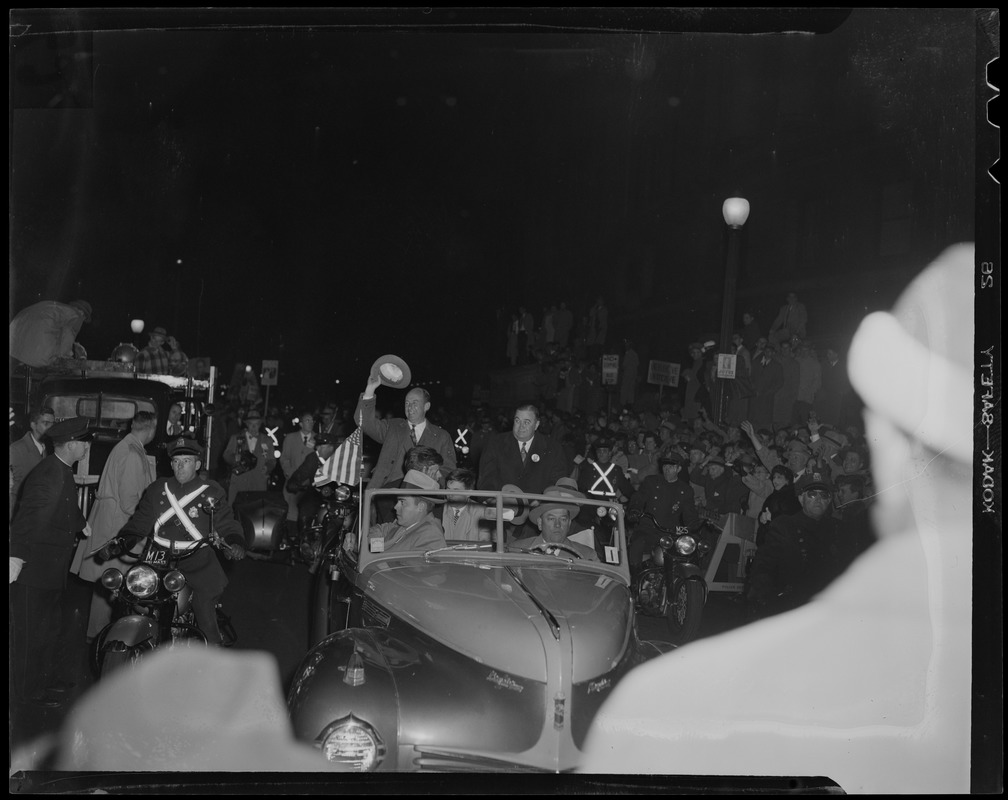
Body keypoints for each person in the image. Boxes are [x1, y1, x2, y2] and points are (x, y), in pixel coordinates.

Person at [580, 244, 975, 793]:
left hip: (693, 545)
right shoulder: (651, 482)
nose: (674, 464)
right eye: (670, 460)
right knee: (642, 548)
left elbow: (708, 508)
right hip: (652, 528)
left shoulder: (663, 708)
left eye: (677, 460)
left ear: (886, 451)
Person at [101, 436, 246, 645]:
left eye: (186, 461)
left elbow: (226, 523)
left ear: (197, 464)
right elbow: (139, 523)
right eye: (177, 461)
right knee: (131, 598)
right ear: (171, 464)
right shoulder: (157, 489)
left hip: (197, 560)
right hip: (157, 557)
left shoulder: (211, 492)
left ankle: (211, 659)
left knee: (204, 610)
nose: (180, 466)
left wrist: (234, 542)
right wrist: (120, 543)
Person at [9, 417, 94, 707]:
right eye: (83, 442)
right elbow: (26, 521)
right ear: (70, 444)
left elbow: (66, 505)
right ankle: (30, 691)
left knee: (49, 629)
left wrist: (81, 523)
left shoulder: (62, 470)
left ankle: (45, 679)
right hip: (34, 570)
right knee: (32, 635)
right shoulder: (48, 475)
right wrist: (16, 557)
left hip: (51, 569)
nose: (86, 447)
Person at [68, 411, 158, 639]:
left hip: (111, 524)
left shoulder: (127, 447)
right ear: (151, 429)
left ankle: (98, 635)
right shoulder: (132, 454)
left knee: (107, 583)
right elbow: (130, 502)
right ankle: (104, 637)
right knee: (115, 583)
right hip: (117, 526)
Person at [356, 376, 455, 522]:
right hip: (388, 495)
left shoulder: (441, 436)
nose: (410, 407)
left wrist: (437, 474)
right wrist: (370, 389)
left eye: (415, 403)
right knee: (388, 539)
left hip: (425, 498)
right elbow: (364, 422)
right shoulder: (393, 426)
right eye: (407, 403)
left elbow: (449, 470)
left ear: (427, 406)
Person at [745, 470, 842, 619]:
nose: (818, 499)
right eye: (812, 494)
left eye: (824, 495)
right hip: (789, 606)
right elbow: (764, 567)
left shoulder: (836, 528)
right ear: (801, 498)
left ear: (829, 501)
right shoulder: (784, 526)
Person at [627, 452, 700, 577]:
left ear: (679, 469)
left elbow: (689, 514)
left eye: (671, 466)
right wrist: (635, 510)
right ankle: (634, 582)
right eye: (665, 466)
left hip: (670, 533)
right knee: (636, 546)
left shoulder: (685, 490)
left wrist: (695, 526)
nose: (667, 469)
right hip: (648, 528)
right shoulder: (651, 481)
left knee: (689, 551)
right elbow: (639, 497)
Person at [477, 403, 570, 495]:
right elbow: (486, 479)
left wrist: (541, 502)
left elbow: (557, 481)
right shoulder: (495, 444)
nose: (521, 426)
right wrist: (494, 501)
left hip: (539, 506)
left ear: (536, 424)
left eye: (526, 422)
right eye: (517, 421)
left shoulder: (553, 448)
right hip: (503, 505)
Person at [359, 469, 446, 565]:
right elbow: (378, 530)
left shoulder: (431, 534)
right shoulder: (403, 525)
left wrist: (378, 558)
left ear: (421, 507)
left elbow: (417, 571)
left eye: (402, 502)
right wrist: (375, 548)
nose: (395, 507)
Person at [509, 482, 598, 561]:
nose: (557, 525)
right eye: (551, 519)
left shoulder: (587, 556)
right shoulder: (516, 551)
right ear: (540, 523)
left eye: (563, 519)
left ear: (569, 524)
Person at [574, 437, 633, 544]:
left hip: (609, 504)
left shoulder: (616, 470)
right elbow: (581, 488)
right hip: (591, 502)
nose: (601, 454)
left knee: (617, 528)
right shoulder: (588, 469)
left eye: (604, 451)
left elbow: (628, 490)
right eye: (599, 451)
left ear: (610, 453)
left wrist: (633, 502)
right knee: (583, 521)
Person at [9, 299, 91, 367]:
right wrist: (67, 358)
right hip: (37, 352)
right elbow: (68, 336)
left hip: (14, 342)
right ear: (82, 314)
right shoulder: (77, 316)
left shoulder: (55, 307)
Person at [222, 408, 277, 505]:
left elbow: (272, 460)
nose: (254, 426)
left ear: (260, 425)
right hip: (239, 480)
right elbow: (226, 455)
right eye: (251, 423)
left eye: (256, 424)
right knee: (235, 510)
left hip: (258, 481)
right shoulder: (236, 438)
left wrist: (267, 467)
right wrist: (234, 459)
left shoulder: (267, 440)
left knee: (256, 512)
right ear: (246, 424)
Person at [9, 405, 55, 519]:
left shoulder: (48, 450)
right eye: (46, 423)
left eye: (53, 424)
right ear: (33, 425)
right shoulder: (16, 449)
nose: (51, 428)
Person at [279, 410, 316, 527]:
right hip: (292, 483)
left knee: (307, 515)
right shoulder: (290, 438)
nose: (311, 423)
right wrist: (291, 474)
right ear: (300, 424)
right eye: (307, 420)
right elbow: (284, 458)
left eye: (312, 421)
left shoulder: (317, 439)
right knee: (291, 514)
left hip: (309, 485)